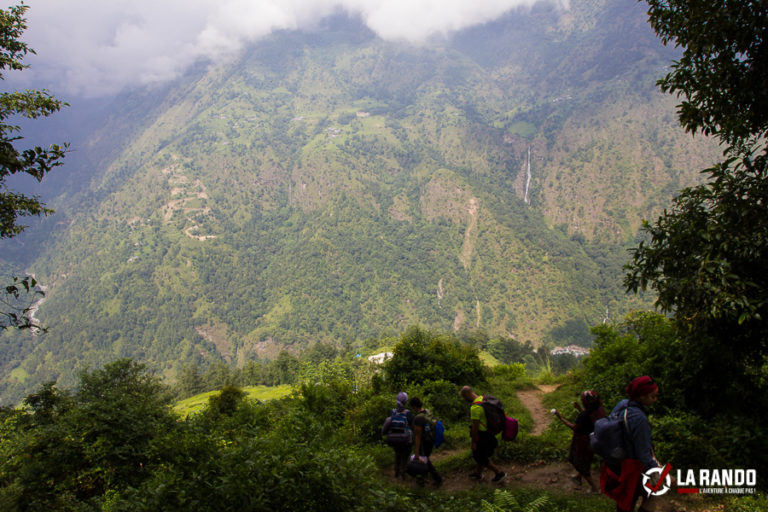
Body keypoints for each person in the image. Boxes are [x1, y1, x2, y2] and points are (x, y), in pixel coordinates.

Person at [601, 376, 663, 512]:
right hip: (632, 466)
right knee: (652, 493)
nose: (655, 400)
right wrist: (657, 471)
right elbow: (643, 452)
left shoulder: (623, 404)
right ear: (642, 397)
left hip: (618, 463)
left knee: (625, 500)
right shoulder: (639, 419)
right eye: (653, 397)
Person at [553, 390, 605, 492]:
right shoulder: (598, 410)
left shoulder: (583, 416)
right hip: (592, 439)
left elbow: (574, 427)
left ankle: (594, 488)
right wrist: (579, 409)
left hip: (582, 441)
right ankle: (578, 476)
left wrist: (560, 417)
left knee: (581, 461)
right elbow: (588, 416)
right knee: (585, 460)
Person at [460, 385, 506, 482]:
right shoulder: (483, 399)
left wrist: (473, 442)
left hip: (482, 435)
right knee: (481, 454)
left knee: (479, 456)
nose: (465, 399)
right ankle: (478, 473)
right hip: (489, 433)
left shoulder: (475, 407)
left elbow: (475, 427)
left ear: (467, 394)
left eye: (464, 397)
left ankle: (499, 472)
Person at [408, 397, 443, 486]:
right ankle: (426, 479)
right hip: (430, 440)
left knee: (423, 460)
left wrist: (416, 453)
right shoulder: (427, 412)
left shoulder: (418, 419)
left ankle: (435, 479)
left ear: (414, 406)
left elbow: (418, 437)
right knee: (425, 459)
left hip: (424, 443)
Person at [381, 391, 414, 479]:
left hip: (394, 438)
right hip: (405, 439)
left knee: (397, 454)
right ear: (406, 402)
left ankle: (396, 472)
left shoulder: (392, 412)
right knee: (405, 456)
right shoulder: (408, 413)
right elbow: (412, 426)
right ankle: (403, 474)